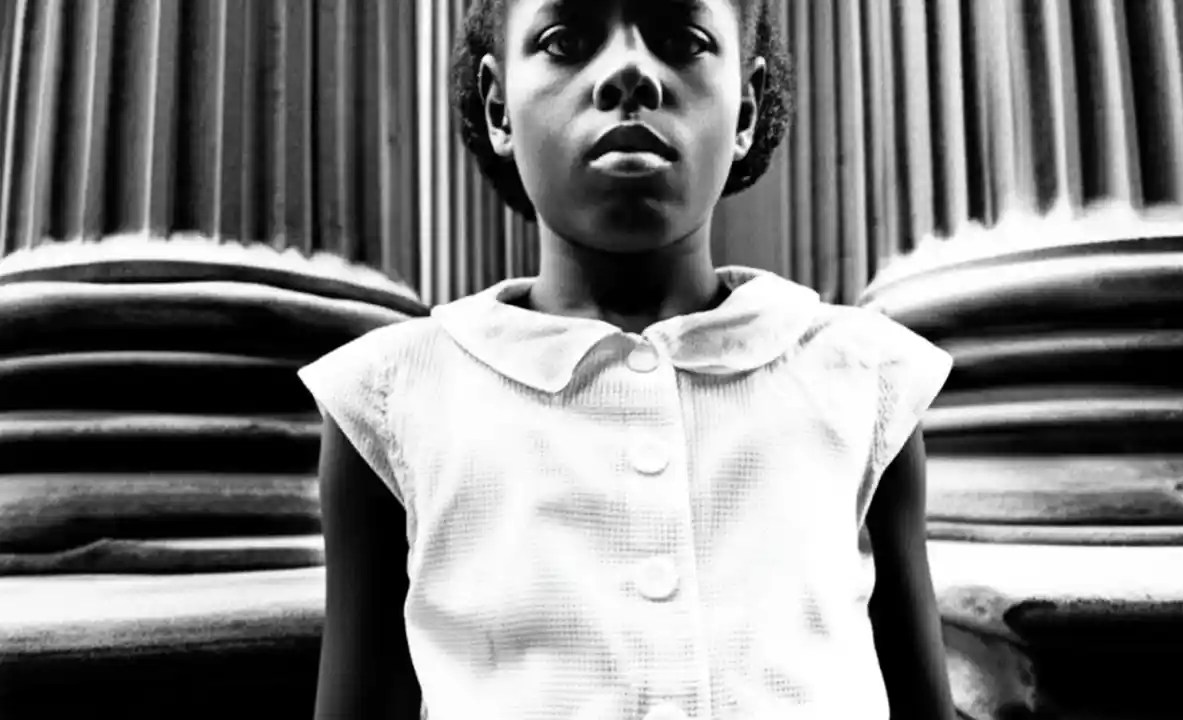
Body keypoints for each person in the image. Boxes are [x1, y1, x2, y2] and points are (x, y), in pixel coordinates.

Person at [300, 0, 956, 718]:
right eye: (564, 41)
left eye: (682, 38)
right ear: (498, 108)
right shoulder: (390, 399)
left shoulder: (865, 380)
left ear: (745, 110)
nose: (629, 72)